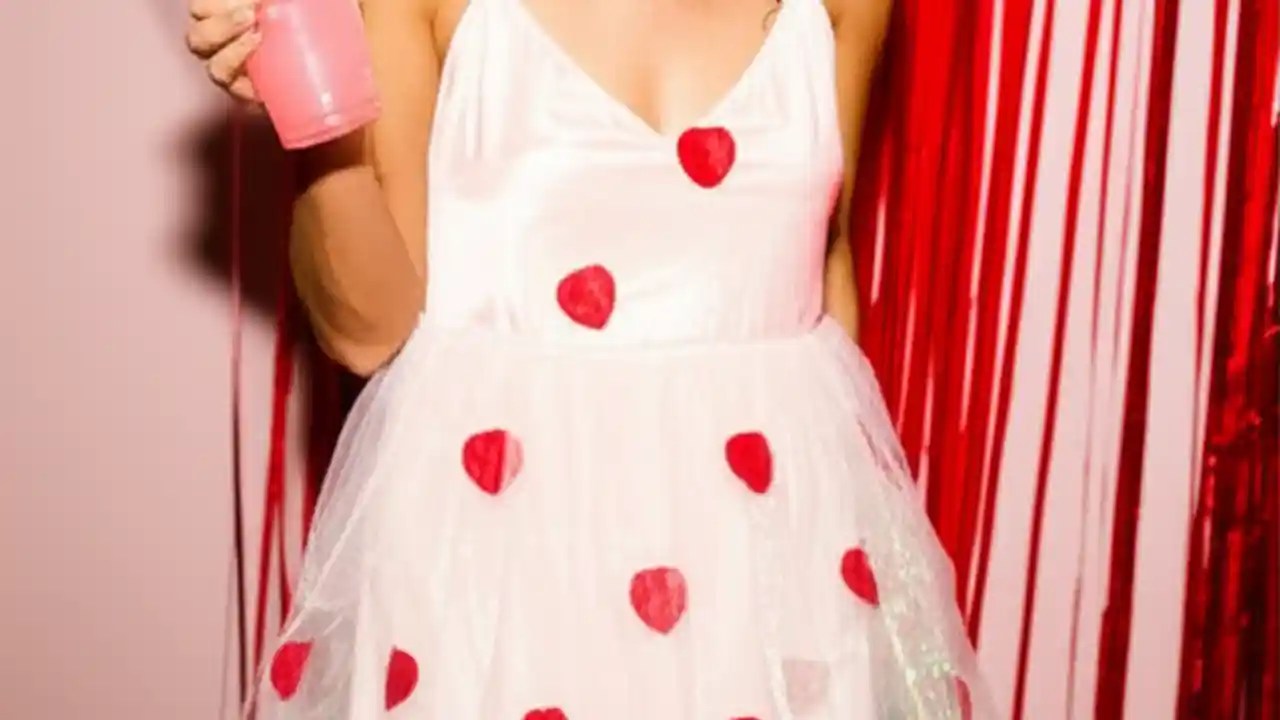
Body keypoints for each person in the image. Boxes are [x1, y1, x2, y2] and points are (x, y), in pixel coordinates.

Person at [187, 0, 993, 717]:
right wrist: (317, 114)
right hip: (499, 554)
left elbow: (826, 276)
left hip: (774, 565)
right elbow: (367, 331)